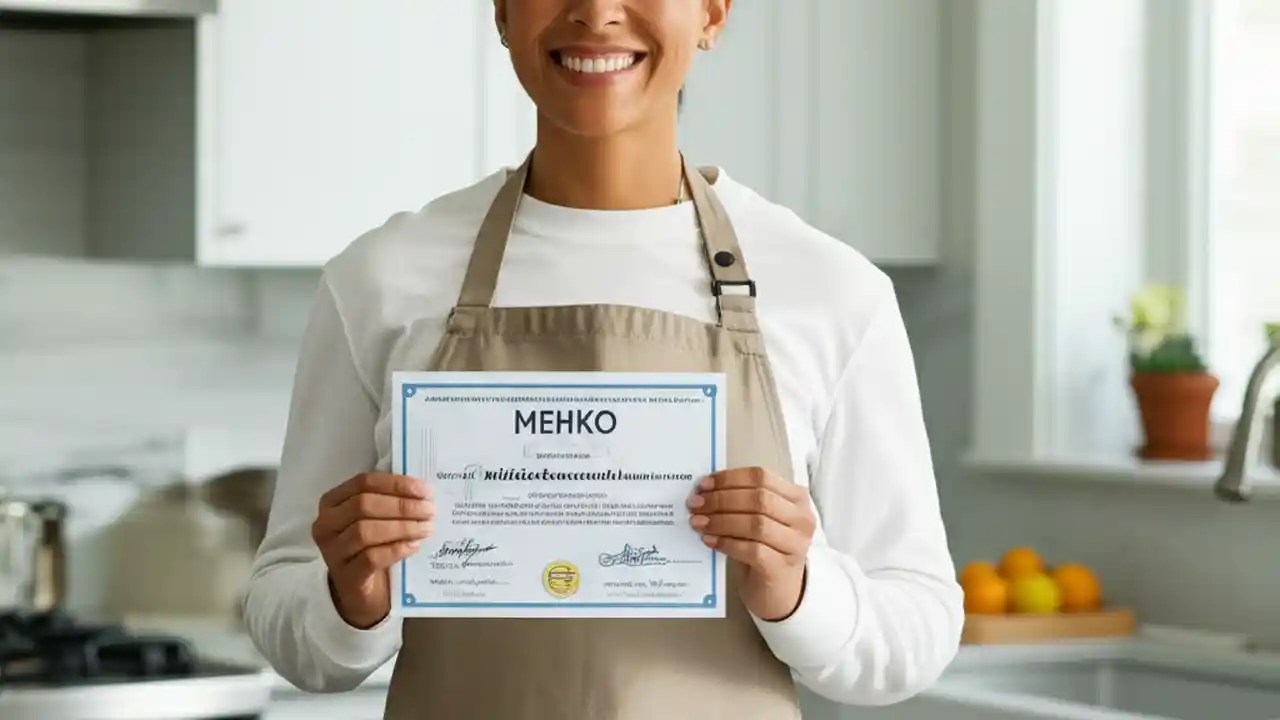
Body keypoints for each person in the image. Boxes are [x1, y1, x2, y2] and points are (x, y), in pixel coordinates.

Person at [245, 0, 963, 717]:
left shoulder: (831, 291)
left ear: (713, 13)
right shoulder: (381, 278)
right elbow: (286, 614)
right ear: (501, 12)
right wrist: (350, 597)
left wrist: (799, 589)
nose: (595, 12)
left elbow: (919, 630)